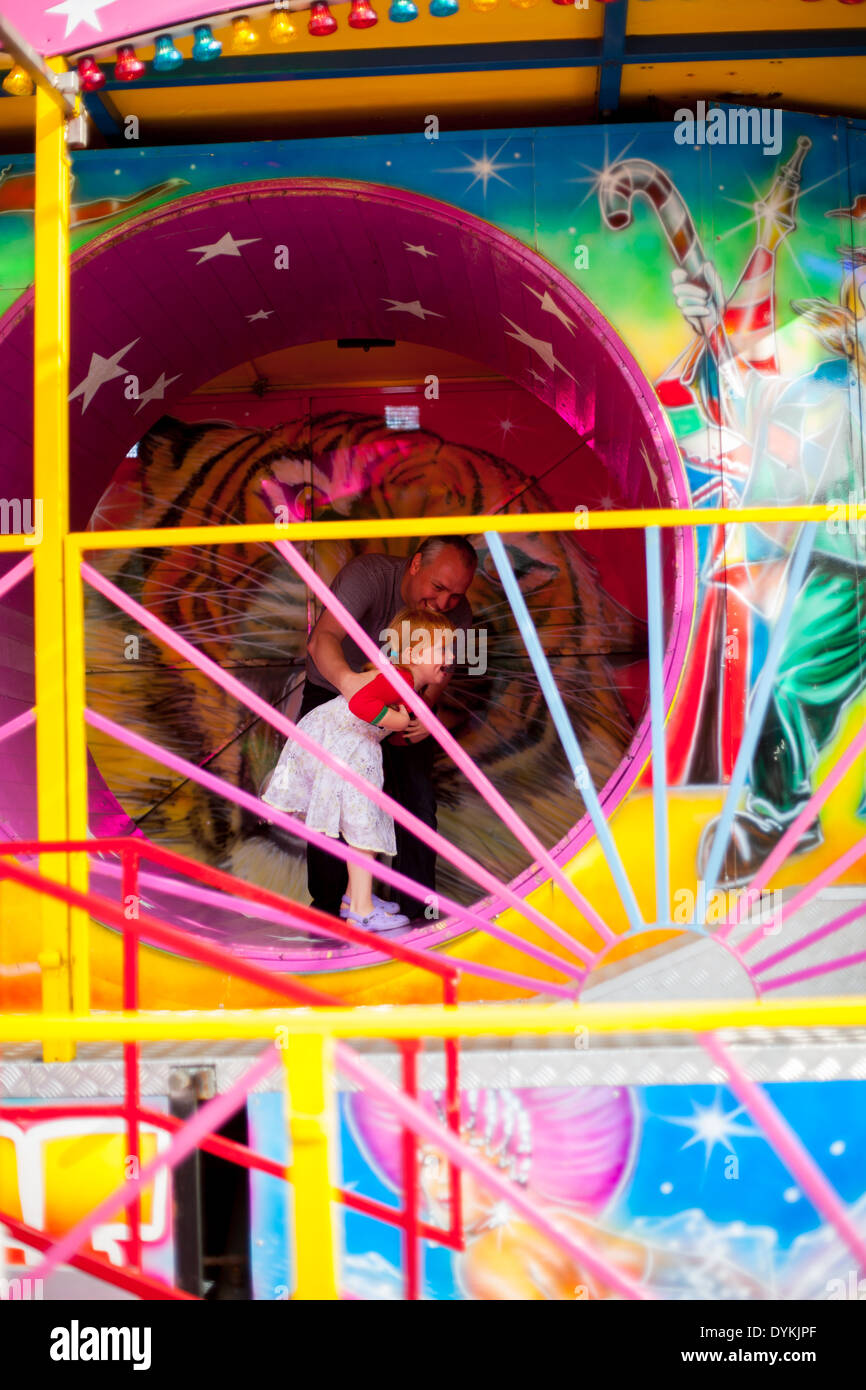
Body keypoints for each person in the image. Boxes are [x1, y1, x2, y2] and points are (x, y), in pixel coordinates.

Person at [296, 537, 476, 921]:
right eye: (438, 588)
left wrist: (426, 716)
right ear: (414, 565)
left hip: (401, 706)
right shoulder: (370, 576)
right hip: (336, 698)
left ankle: (416, 913)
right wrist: (349, 683)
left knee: (418, 804)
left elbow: (438, 681)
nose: (444, 604)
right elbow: (321, 640)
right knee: (334, 805)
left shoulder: (460, 616)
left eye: (456, 596)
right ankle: (329, 911)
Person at [263, 608, 456, 931]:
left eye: (452, 648)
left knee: (362, 822)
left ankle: (354, 897)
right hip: (345, 743)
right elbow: (360, 704)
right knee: (363, 826)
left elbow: (388, 727)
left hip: (349, 743)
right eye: (442, 649)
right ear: (412, 653)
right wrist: (398, 720)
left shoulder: (408, 685)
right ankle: (362, 910)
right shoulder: (402, 678)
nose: (450, 657)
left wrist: (402, 726)